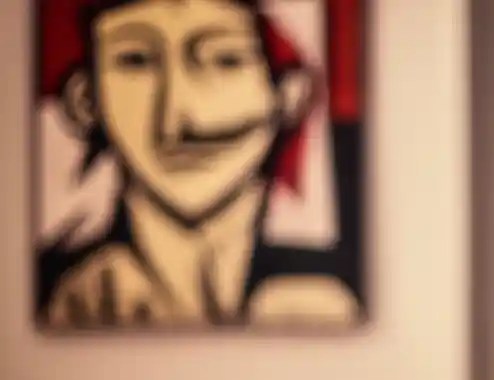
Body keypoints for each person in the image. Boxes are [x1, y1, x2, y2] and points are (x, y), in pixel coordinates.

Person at [40, 0, 361, 327]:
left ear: (289, 94)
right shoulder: (61, 287)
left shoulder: (335, 272)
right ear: (85, 100)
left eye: (225, 60)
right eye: (136, 61)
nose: (177, 115)